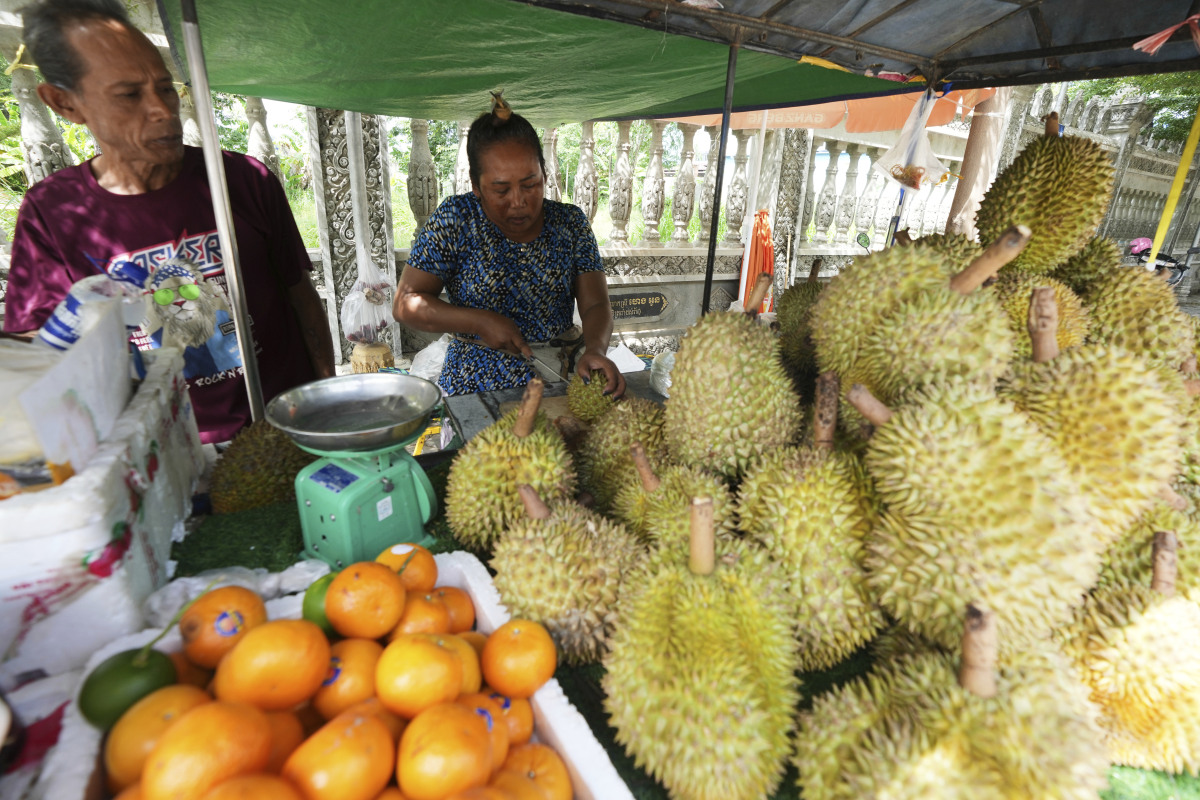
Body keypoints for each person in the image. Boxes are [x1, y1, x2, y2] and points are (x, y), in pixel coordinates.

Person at [2, 0, 335, 444]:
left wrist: (328, 401)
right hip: (165, 449)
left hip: (282, 427)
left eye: (165, 88)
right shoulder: (53, 212)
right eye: (129, 95)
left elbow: (300, 297)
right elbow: (37, 352)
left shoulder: (242, 180)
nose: (161, 110)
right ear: (63, 103)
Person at [393, 101, 624, 398]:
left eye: (530, 184)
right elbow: (405, 303)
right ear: (476, 186)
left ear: (544, 173)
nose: (518, 201)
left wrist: (595, 349)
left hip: (562, 376)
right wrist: (478, 320)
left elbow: (595, 304)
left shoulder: (570, 223)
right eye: (501, 190)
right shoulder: (456, 218)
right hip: (477, 383)